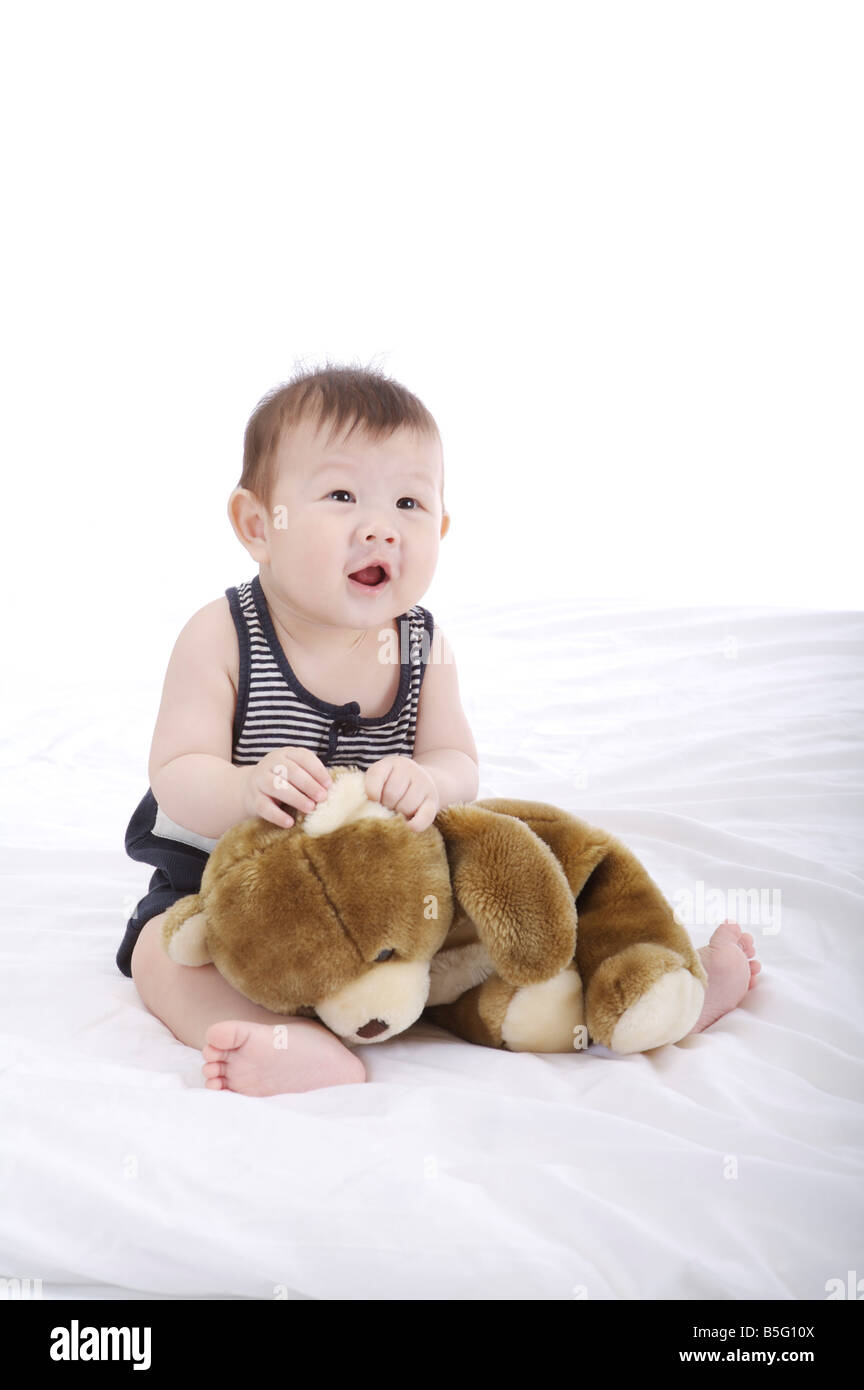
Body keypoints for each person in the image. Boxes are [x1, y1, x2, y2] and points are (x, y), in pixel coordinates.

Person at [120, 363, 760, 1097]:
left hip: (394, 892)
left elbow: (456, 760)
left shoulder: (422, 644)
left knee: (511, 897)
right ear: (259, 525)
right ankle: (283, 1039)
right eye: (340, 496)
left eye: (410, 502)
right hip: (238, 887)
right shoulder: (223, 635)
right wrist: (244, 787)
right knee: (160, 951)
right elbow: (175, 769)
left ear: (442, 528)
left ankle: (650, 983)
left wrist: (429, 779)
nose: (380, 526)